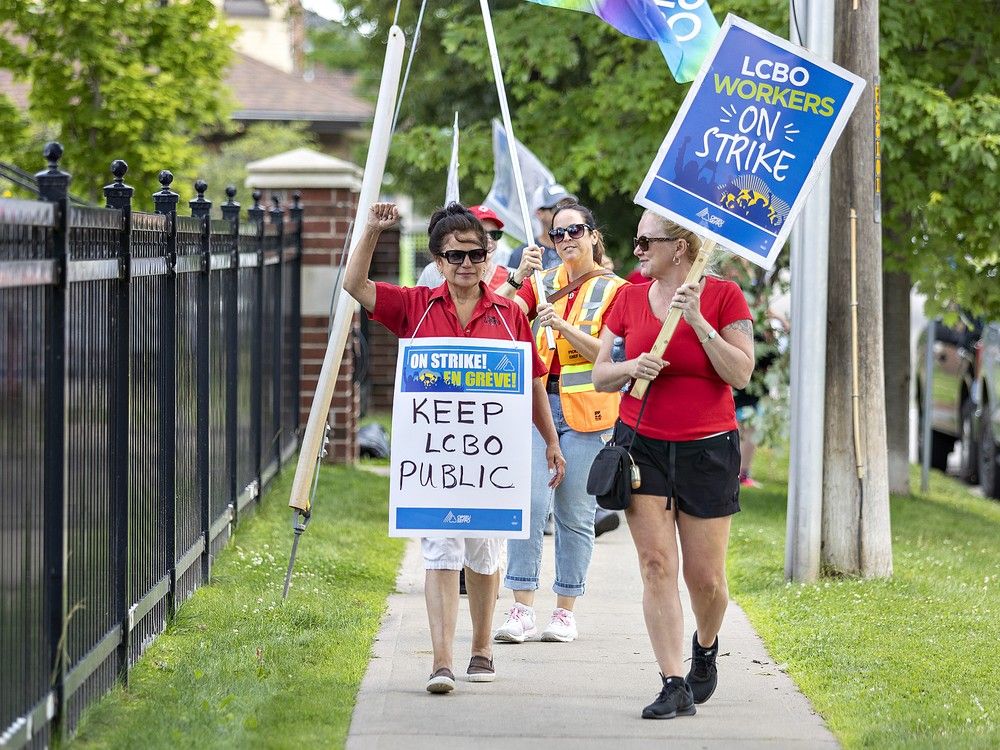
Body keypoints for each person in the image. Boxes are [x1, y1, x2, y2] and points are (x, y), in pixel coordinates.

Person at [344, 201, 567, 694]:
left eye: (474, 254)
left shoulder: (511, 314)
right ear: (438, 261)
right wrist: (372, 231)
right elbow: (354, 286)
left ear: (488, 257)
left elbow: (532, 384)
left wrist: (551, 441)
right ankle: (441, 661)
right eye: (454, 256)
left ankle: (482, 647)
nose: (465, 264)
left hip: (490, 461)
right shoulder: (416, 306)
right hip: (437, 462)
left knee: (485, 554)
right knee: (440, 551)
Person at [592, 210, 754, 719]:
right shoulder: (628, 298)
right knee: (656, 565)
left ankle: (704, 645)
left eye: (646, 241)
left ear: (680, 248)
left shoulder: (724, 296)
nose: (637, 249)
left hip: (707, 449)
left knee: (706, 580)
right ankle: (673, 679)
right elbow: (600, 374)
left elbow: (742, 373)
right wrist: (630, 367)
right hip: (642, 445)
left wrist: (699, 323)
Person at [492, 202, 628, 645]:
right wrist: (516, 276)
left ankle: (565, 610)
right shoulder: (539, 282)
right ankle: (521, 608)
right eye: (557, 234)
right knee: (529, 505)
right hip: (534, 407)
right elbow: (492, 320)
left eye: (575, 231)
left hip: (587, 413)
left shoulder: (617, 291)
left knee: (574, 513)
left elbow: (614, 359)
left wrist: (564, 328)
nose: (566, 240)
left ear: (593, 235)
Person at [415, 205, 511, 292]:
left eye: (495, 234)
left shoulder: (512, 276)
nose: (489, 239)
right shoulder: (432, 272)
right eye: (482, 233)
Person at [505, 183, 577, 273]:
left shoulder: (579, 246)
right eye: (557, 208)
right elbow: (512, 285)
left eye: (568, 207)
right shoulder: (524, 256)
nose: (564, 213)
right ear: (540, 213)